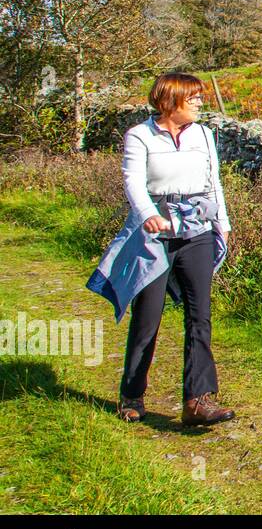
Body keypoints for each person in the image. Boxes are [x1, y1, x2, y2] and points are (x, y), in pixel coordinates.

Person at [91, 72, 236, 426]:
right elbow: (133, 182)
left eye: (201, 97)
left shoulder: (203, 134)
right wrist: (148, 216)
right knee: (147, 317)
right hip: (155, 233)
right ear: (171, 101)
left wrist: (224, 222)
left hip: (197, 229)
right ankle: (132, 393)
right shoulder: (139, 136)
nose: (201, 103)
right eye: (194, 99)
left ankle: (197, 401)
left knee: (200, 314)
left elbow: (212, 180)